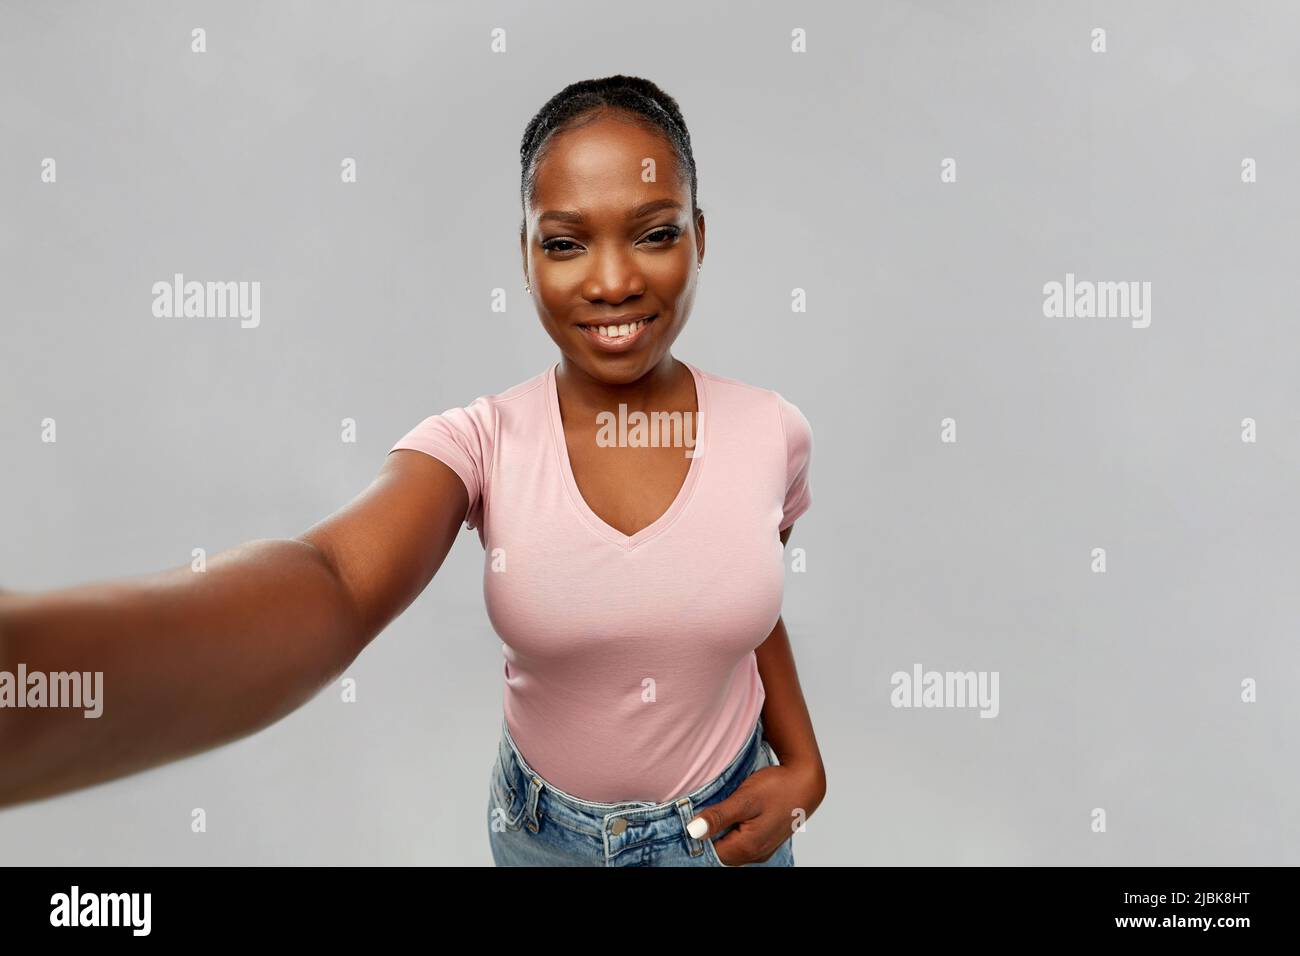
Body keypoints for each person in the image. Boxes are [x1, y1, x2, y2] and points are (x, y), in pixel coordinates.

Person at [0, 74, 826, 867]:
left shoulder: (770, 431)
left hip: (725, 831)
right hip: (544, 838)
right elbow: (334, 582)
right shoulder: (480, 441)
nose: (612, 281)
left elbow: (744, 605)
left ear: (701, 235)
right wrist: (44, 680)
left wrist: (803, 767)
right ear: (527, 254)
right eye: (567, 243)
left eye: (654, 232)